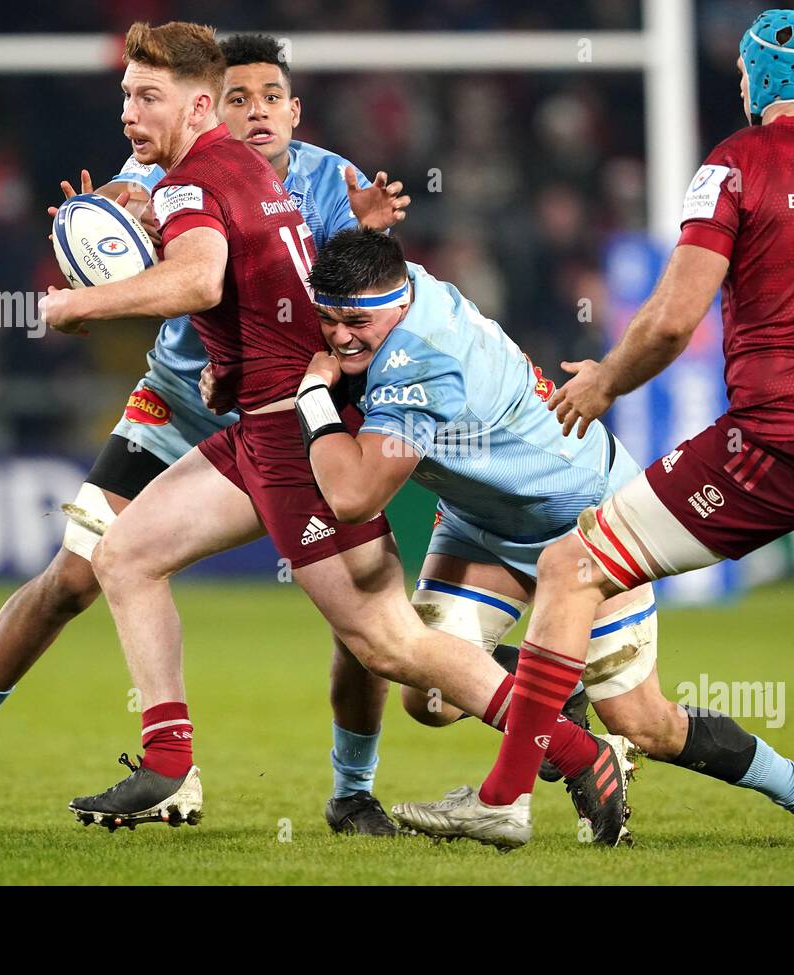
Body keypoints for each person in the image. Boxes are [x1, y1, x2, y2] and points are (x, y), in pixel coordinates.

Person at [401, 8, 794, 853]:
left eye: (746, 74)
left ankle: (502, 798)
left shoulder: (737, 165)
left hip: (777, 436)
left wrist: (604, 378)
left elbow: (674, 320)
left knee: (571, 566)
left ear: (759, 79)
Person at [37, 21, 630, 844]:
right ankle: (169, 763)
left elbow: (202, 274)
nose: (130, 114)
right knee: (124, 554)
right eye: (126, 96)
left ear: (196, 104)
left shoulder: (190, 184)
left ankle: (571, 749)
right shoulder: (235, 164)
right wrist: (231, 347)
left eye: (148, 97)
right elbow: (262, 280)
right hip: (261, 422)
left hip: (291, 442)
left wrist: (80, 301)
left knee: (390, 645)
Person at [0, 30, 408, 837]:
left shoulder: (331, 179)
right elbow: (148, 261)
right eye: (238, 98)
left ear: (293, 109)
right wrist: (100, 234)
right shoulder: (158, 168)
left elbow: (350, 303)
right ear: (211, 105)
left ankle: (352, 788)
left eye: (269, 97)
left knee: (361, 626)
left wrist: (368, 236)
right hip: (177, 404)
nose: (254, 113)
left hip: (282, 410)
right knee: (74, 576)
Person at [304, 228, 794, 849]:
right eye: (326, 318)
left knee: (645, 725)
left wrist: (312, 399)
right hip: (482, 523)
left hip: (583, 516)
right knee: (429, 695)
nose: (338, 335)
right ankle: (558, 696)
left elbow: (355, 497)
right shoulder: (398, 284)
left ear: (400, 300)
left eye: (355, 320)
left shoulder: (425, 360)